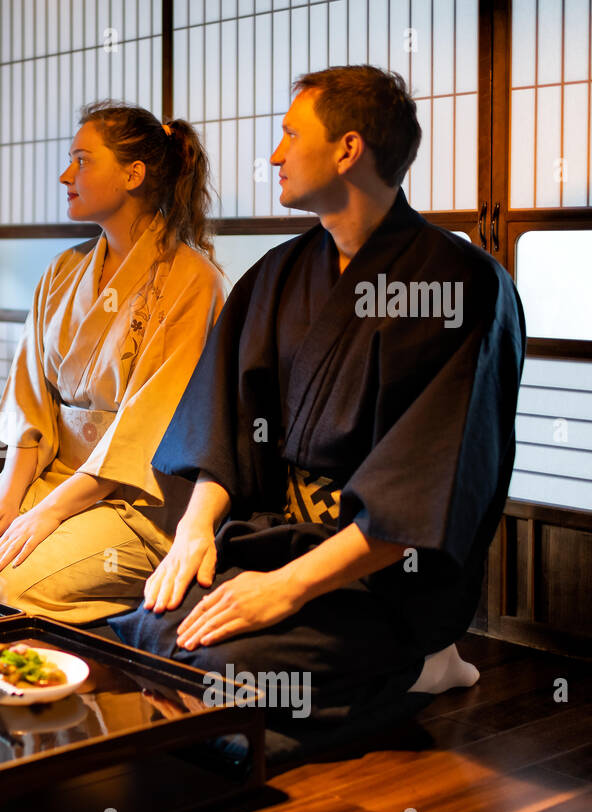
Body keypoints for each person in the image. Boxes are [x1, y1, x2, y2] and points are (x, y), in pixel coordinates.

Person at [108, 66, 525, 724]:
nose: (275, 153)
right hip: (277, 539)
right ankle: (366, 663)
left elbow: (429, 486)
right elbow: (228, 420)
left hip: (381, 576)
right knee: (144, 632)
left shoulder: (461, 285)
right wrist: (193, 531)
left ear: (348, 149)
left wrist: (286, 591)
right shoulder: (278, 275)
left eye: (289, 133)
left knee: (224, 674)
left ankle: (426, 663)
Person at [0, 100, 225, 624]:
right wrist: (10, 494)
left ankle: (61, 691)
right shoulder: (63, 271)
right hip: (53, 478)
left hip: (135, 502)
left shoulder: (191, 280)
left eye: (83, 160)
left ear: (133, 173)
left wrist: (46, 515)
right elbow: (30, 401)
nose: (67, 174)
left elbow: (143, 432)